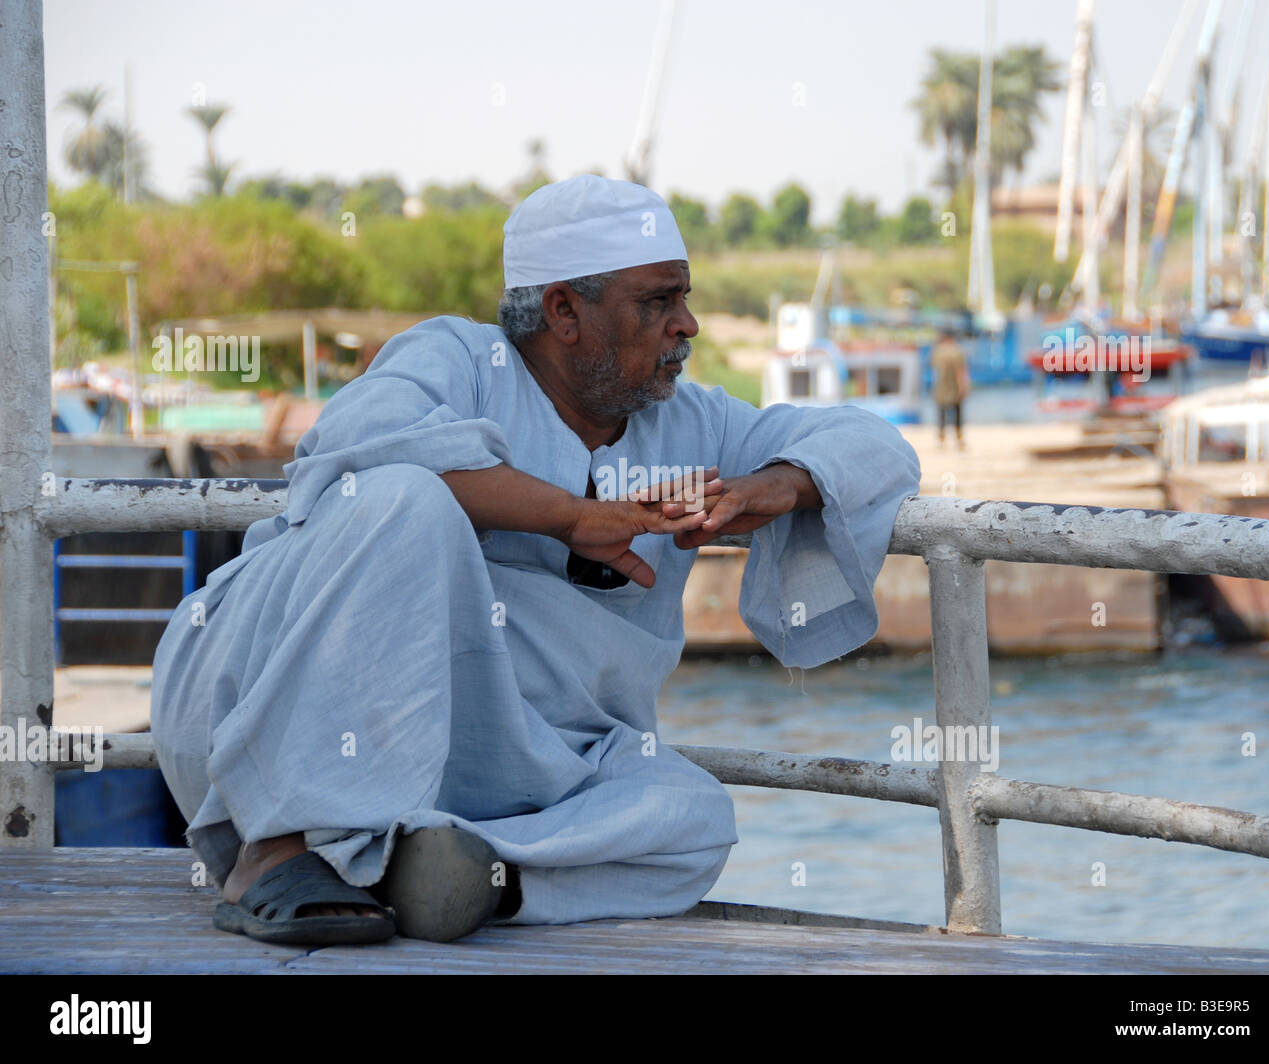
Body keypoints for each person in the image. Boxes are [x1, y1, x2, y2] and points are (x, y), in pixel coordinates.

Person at [150, 175, 922, 947]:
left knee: (693, 820)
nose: (686, 325)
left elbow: (870, 444)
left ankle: (452, 873)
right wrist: (573, 518)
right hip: (270, 708)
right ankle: (275, 851)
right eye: (657, 302)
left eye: (683, 300)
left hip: (507, 765)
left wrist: (779, 485)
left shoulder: (692, 420)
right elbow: (354, 446)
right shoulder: (457, 359)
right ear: (563, 312)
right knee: (402, 497)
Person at [930, 327, 969, 448]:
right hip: (954, 386)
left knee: (941, 413)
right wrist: (963, 386)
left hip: (940, 386)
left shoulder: (937, 352)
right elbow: (961, 371)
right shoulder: (957, 352)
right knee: (957, 413)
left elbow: (934, 369)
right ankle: (959, 438)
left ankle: (942, 438)